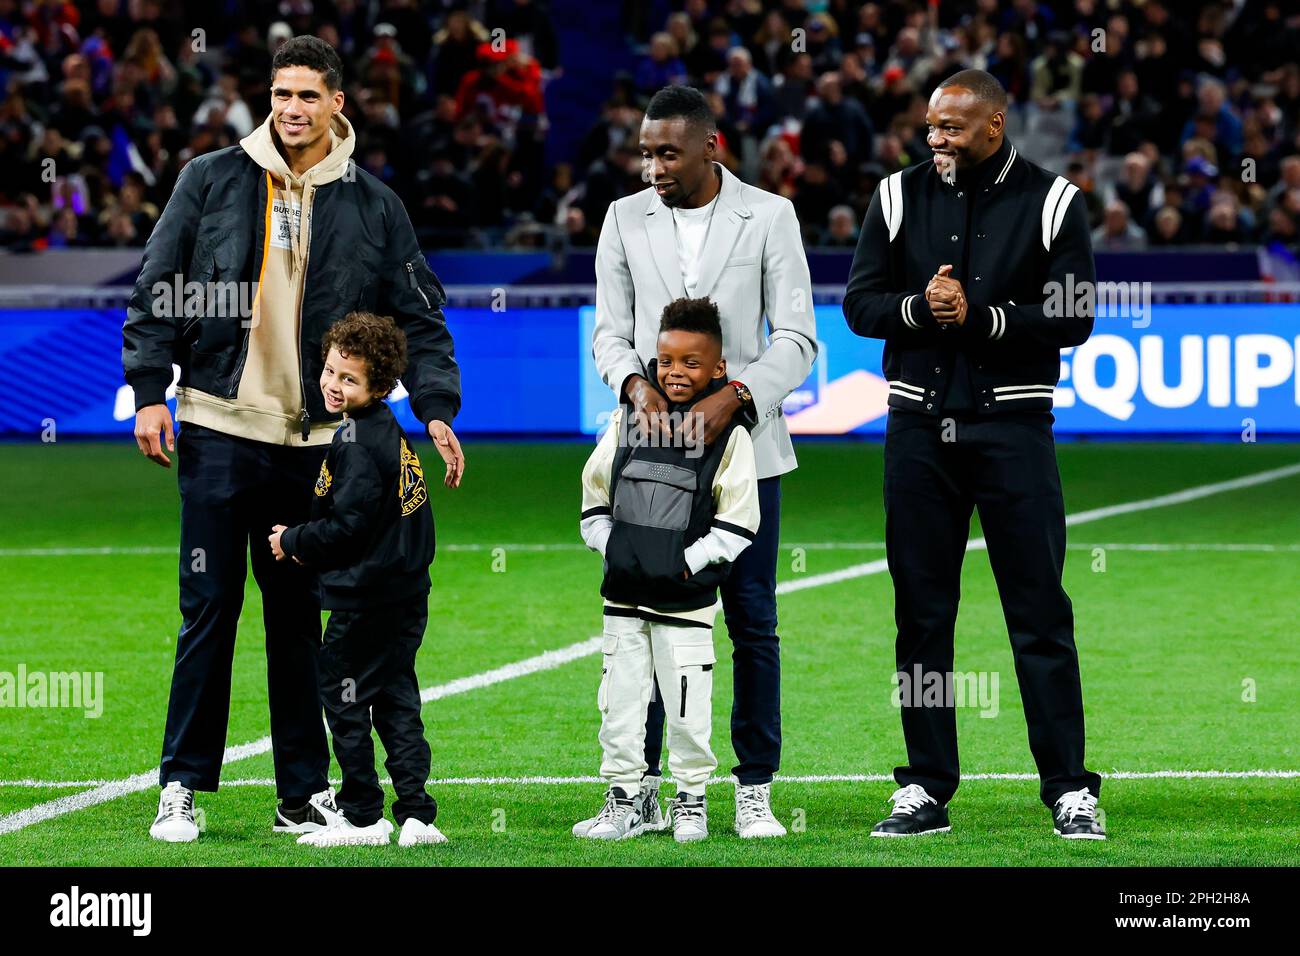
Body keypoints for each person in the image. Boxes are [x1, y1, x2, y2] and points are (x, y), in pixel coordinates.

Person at [124, 36, 464, 843]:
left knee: (298, 619)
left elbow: (419, 313)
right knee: (209, 608)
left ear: (337, 103)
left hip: (316, 447)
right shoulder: (209, 180)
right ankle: (181, 786)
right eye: (281, 94)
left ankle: (300, 792)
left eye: (308, 95)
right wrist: (148, 391)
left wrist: (437, 405)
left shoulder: (375, 204)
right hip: (214, 427)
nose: (292, 109)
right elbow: (158, 283)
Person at [843, 69, 1106, 840]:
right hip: (917, 431)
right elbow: (860, 304)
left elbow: (1076, 312)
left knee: (1040, 611)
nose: (936, 139)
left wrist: (986, 319)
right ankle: (925, 786)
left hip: (1014, 430)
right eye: (931, 127)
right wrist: (919, 309)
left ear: (994, 126)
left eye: (952, 128)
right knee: (921, 616)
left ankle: (1067, 787)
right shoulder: (895, 197)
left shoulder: (1055, 201)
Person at [590, 85, 817, 838]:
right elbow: (610, 333)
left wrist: (739, 396)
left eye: (667, 153)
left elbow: (797, 337)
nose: (652, 165)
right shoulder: (623, 219)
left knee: (753, 622)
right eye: (645, 152)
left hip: (748, 454)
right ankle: (643, 793)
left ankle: (753, 790)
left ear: (709, 148)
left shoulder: (771, 215)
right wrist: (633, 386)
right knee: (650, 614)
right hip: (653, 460)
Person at [577, 297, 759, 843]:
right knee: (621, 704)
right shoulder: (626, 421)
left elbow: (738, 523)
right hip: (623, 599)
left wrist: (684, 564)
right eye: (666, 360)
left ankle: (692, 801)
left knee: (686, 705)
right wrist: (620, 553)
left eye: (692, 363)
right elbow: (593, 505)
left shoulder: (731, 435)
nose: (676, 373)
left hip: (687, 603)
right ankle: (623, 800)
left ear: (719, 369)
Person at [269, 312, 446, 848]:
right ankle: (417, 814)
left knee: (344, 698)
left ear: (381, 386)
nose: (333, 384)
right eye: (329, 371)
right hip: (405, 593)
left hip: (368, 598)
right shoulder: (382, 430)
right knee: (395, 696)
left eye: (349, 379)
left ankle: (362, 816)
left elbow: (350, 526)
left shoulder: (358, 443)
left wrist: (292, 541)